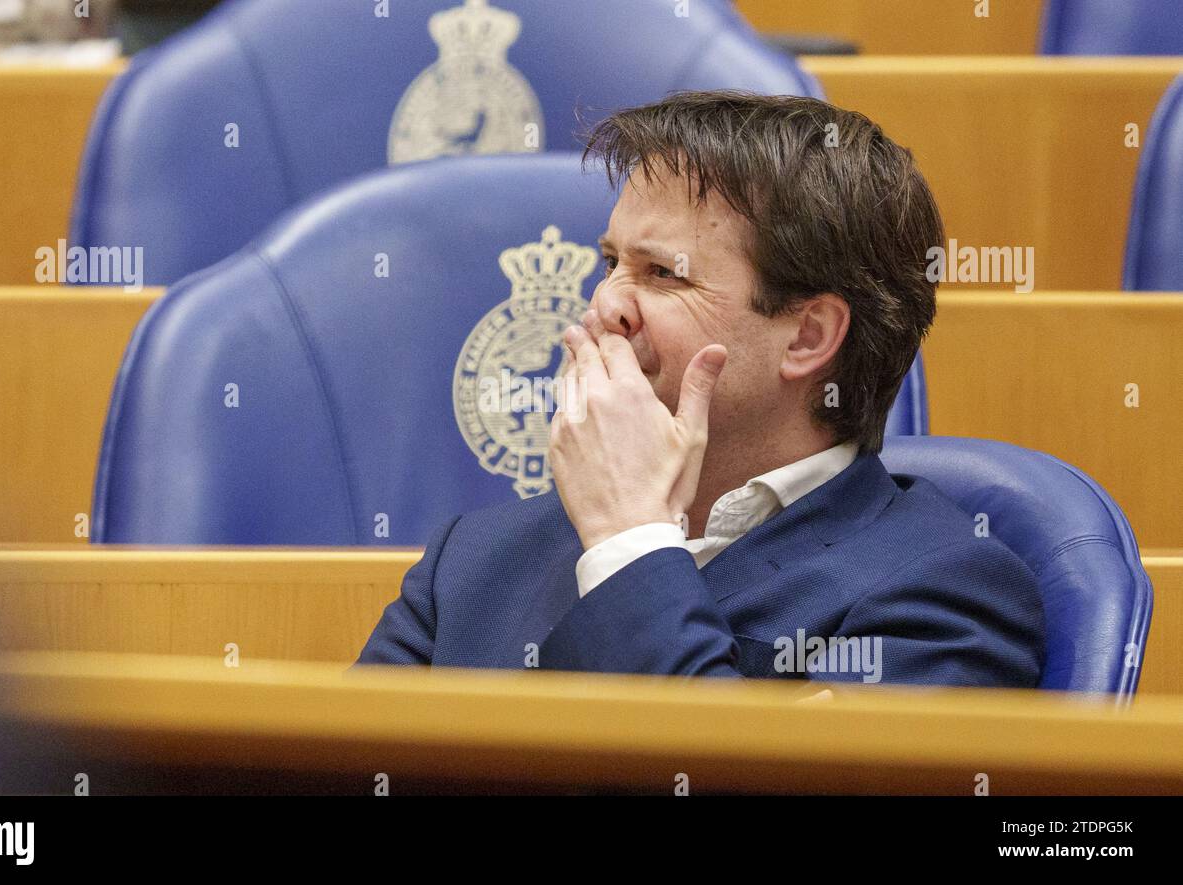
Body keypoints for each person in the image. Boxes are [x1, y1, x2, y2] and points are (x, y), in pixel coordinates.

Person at [357, 90, 1045, 687]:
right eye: (611, 262)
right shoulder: (473, 561)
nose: (605, 305)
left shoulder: (942, 599)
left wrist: (629, 540)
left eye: (662, 274)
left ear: (808, 336)